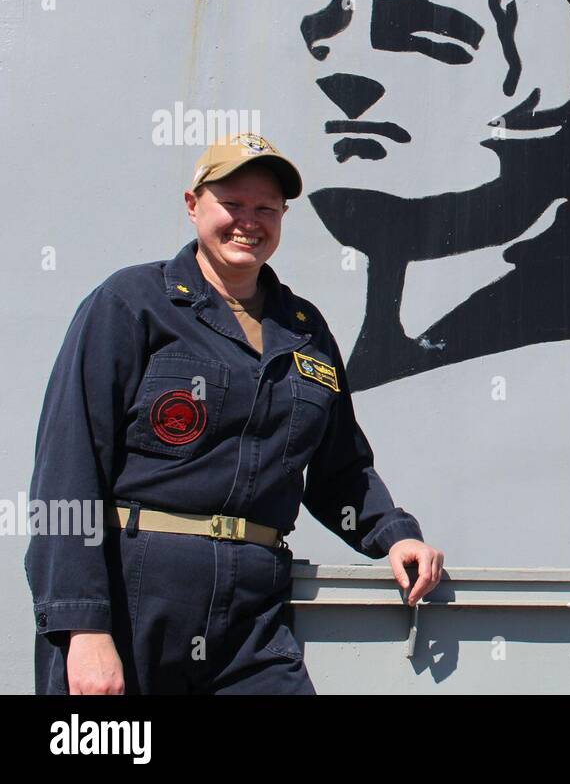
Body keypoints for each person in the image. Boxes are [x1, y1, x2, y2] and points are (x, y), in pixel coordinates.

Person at [26, 132, 444, 694]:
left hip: (252, 618)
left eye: (266, 208)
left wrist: (393, 535)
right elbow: (69, 465)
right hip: (135, 603)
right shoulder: (132, 304)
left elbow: (340, 467)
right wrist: (82, 626)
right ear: (193, 204)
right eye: (233, 204)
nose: (250, 221)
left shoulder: (304, 330)